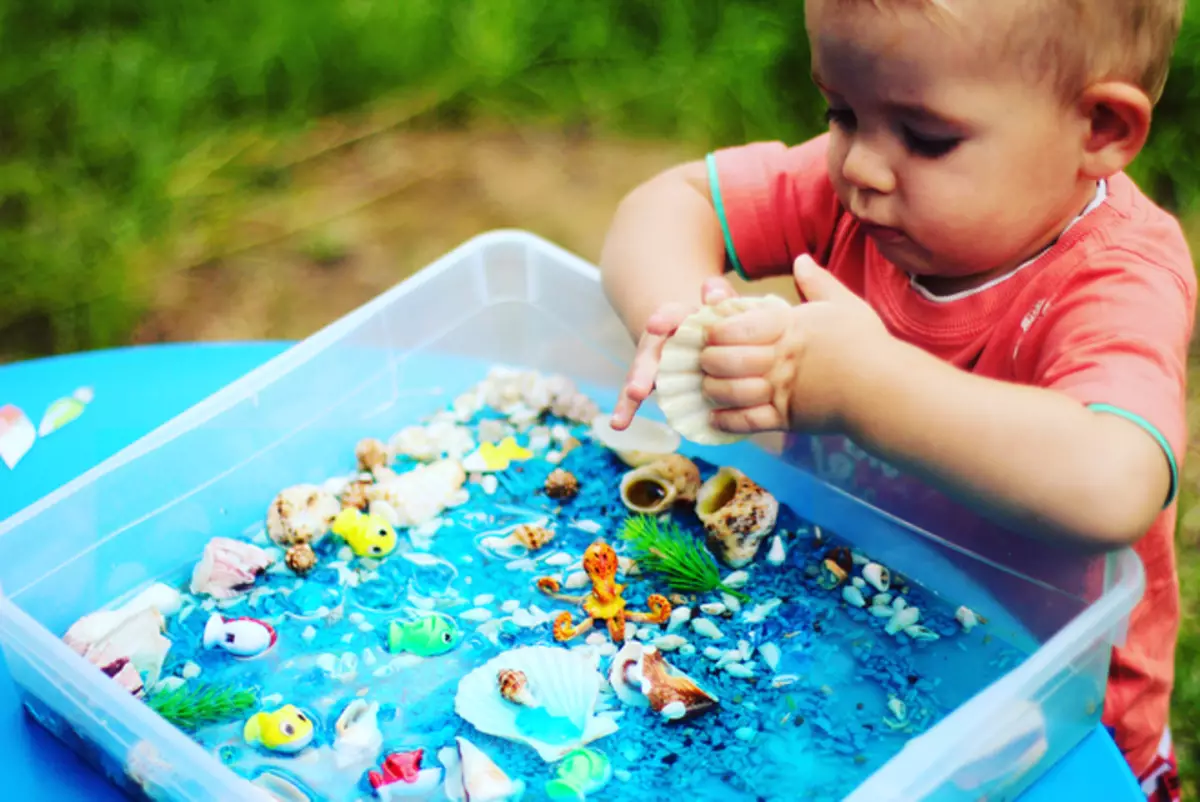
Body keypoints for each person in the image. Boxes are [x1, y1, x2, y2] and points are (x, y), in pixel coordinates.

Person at [597, 1, 1193, 799]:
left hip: (1043, 711)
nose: (862, 167)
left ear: (1101, 129)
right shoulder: (859, 185)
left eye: (927, 138)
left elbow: (1114, 483)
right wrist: (686, 323)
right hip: (840, 625)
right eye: (839, 112)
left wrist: (864, 387)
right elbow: (665, 205)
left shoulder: (1116, 278)